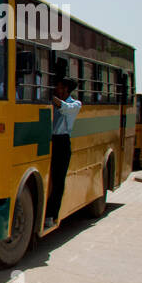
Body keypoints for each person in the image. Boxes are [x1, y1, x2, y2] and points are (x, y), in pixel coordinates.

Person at [44, 78, 82, 229]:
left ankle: (52, 215)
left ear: (66, 89)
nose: (55, 89)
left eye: (58, 87)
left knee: (58, 181)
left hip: (62, 142)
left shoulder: (75, 104)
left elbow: (63, 107)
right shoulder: (51, 103)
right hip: (49, 140)